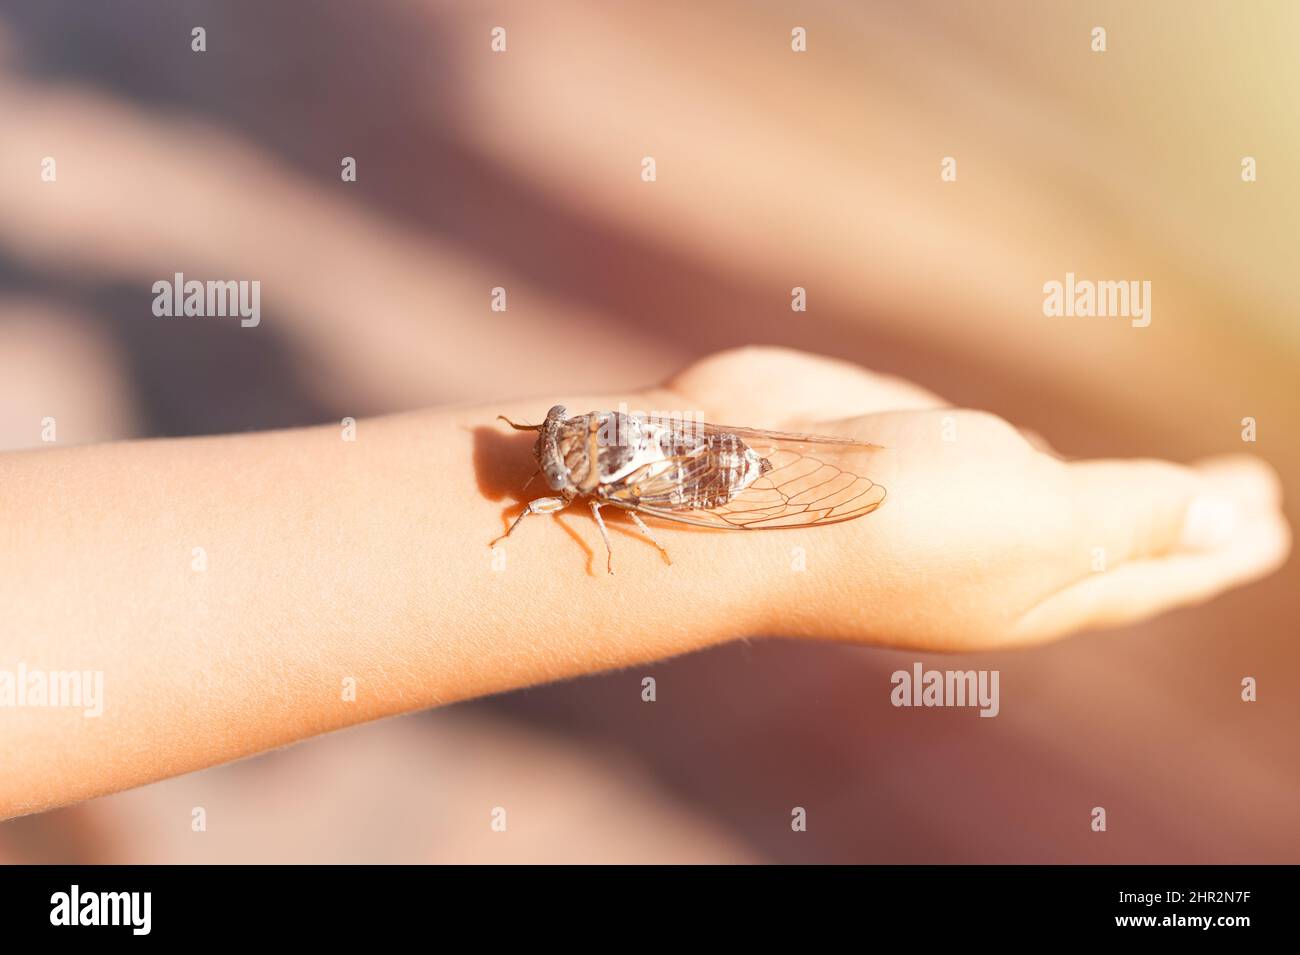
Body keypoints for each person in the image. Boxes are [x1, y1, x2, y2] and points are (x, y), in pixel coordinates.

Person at [0, 346, 1287, 820]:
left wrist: (696, 435)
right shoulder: (555, 467)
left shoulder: (574, 463)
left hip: (683, 465)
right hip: (669, 459)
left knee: (684, 490)